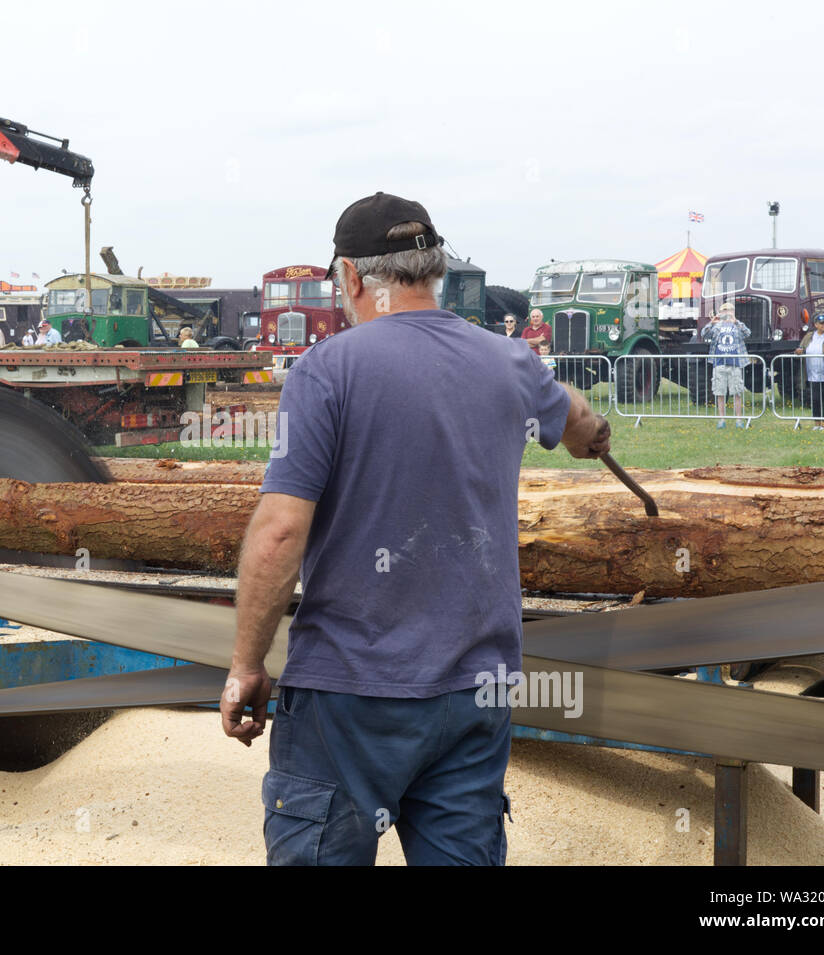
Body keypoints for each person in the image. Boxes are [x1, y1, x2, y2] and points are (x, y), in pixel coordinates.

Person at [219, 192, 610, 866]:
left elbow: (280, 533)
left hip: (348, 694)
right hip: (473, 695)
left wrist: (246, 665)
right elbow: (574, 418)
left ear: (350, 275)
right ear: (434, 268)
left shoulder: (326, 371)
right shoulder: (510, 362)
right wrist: (592, 432)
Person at [701, 302, 750, 429]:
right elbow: (704, 335)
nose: (727, 313)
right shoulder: (716, 326)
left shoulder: (737, 325)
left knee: (737, 392)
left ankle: (739, 420)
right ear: (720, 312)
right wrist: (711, 322)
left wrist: (736, 322)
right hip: (719, 363)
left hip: (735, 363)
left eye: (730, 310)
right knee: (720, 392)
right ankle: (721, 419)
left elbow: (747, 333)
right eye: (725, 310)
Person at [794, 314, 824, 430]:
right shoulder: (809, 336)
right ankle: (817, 423)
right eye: (822, 323)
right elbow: (800, 349)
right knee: (815, 399)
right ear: (816, 325)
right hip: (812, 374)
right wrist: (798, 352)